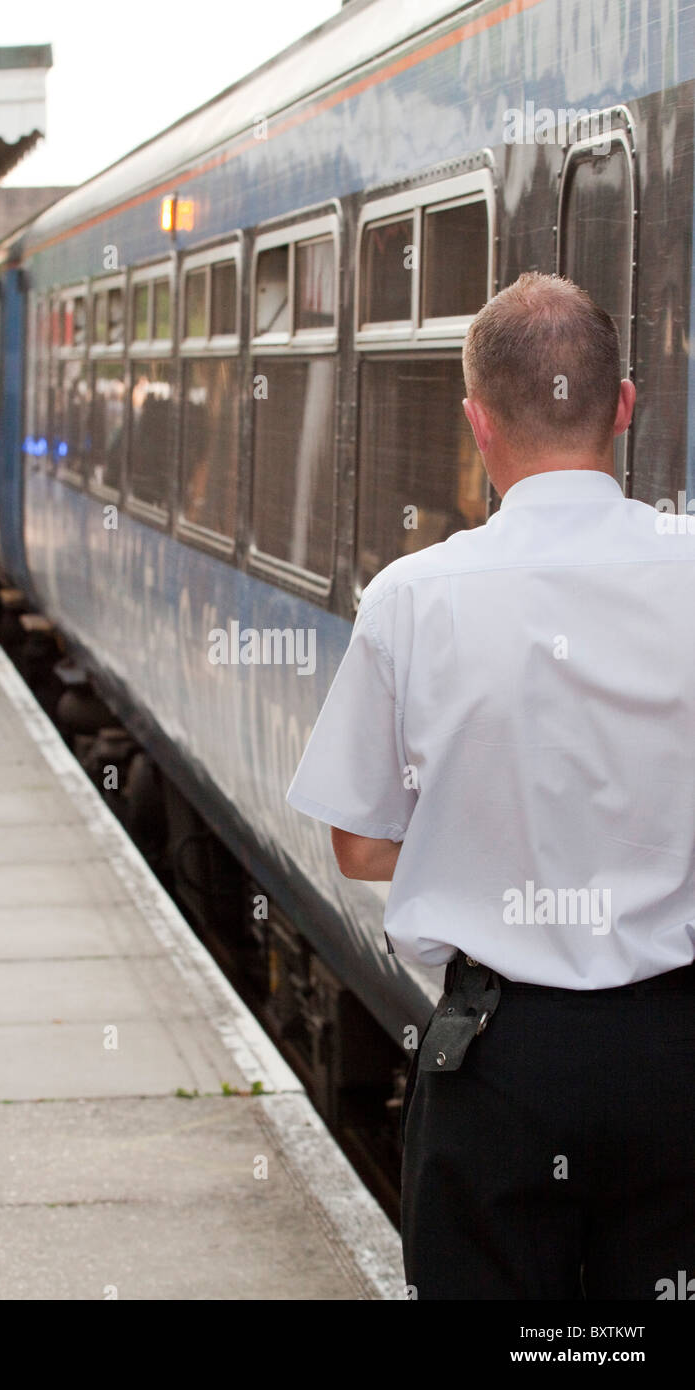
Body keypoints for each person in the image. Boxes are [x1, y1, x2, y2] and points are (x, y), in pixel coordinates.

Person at [285, 271, 695, 1300]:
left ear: (474, 422)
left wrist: (483, 826)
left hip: (500, 1062)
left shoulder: (412, 597)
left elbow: (357, 843)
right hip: (674, 1056)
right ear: (624, 403)